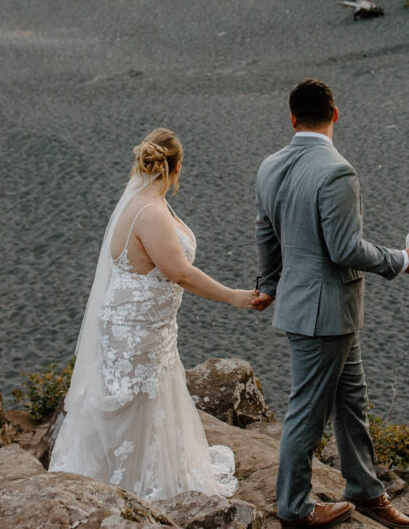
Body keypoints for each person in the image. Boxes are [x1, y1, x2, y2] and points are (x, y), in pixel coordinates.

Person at [251, 79, 409, 529]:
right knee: (307, 412)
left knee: (352, 401)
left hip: (314, 309)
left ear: (293, 118)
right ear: (335, 115)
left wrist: (271, 283)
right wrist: (402, 260)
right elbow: (343, 249)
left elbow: (265, 232)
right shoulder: (338, 170)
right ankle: (294, 507)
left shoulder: (269, 165)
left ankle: (365, 490)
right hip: (325, 314)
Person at [50, 128, 256, 500]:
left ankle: (140, 469)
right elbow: (179, 273)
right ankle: (137, 483)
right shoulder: (150, 212)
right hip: (137, 326)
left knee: (142, 394)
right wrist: (234, 298)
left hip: (143, 322)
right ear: (176, 167)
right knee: (136, 395)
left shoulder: (143, 202)